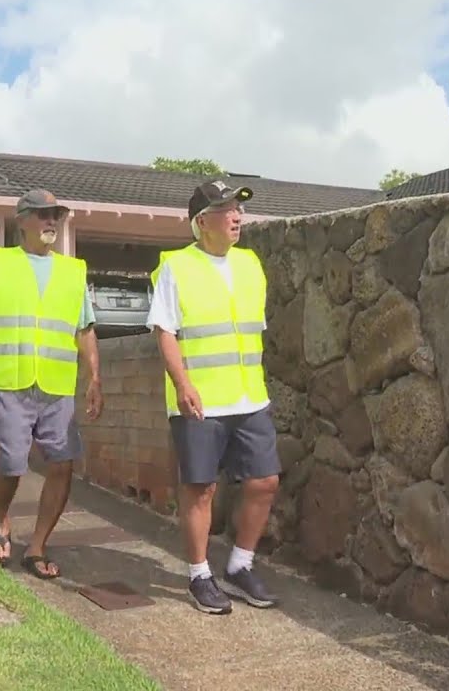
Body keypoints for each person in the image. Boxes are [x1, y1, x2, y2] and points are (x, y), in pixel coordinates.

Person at [145, 179, 281, 615]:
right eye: (226, 210)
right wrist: (183, 385)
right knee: (200, 488)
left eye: (239, 209)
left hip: (249, 396)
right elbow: (165, 331)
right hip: (199, 401)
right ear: (202, 222)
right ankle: (200, 574)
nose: (237, 216)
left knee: (265, 482)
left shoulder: (251, 264)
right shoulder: (176, 267)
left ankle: (240, 565)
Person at [0, 188, 103, 580]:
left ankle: (38, 546)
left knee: (62, 465)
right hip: (10, 383)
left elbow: (86, 329)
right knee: (12, 462)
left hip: (57, 386)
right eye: (42, 215)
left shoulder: (73, 272)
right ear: (21, 220)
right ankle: (2, 518)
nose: (51, 222)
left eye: (55, 215)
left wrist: (95, 378)